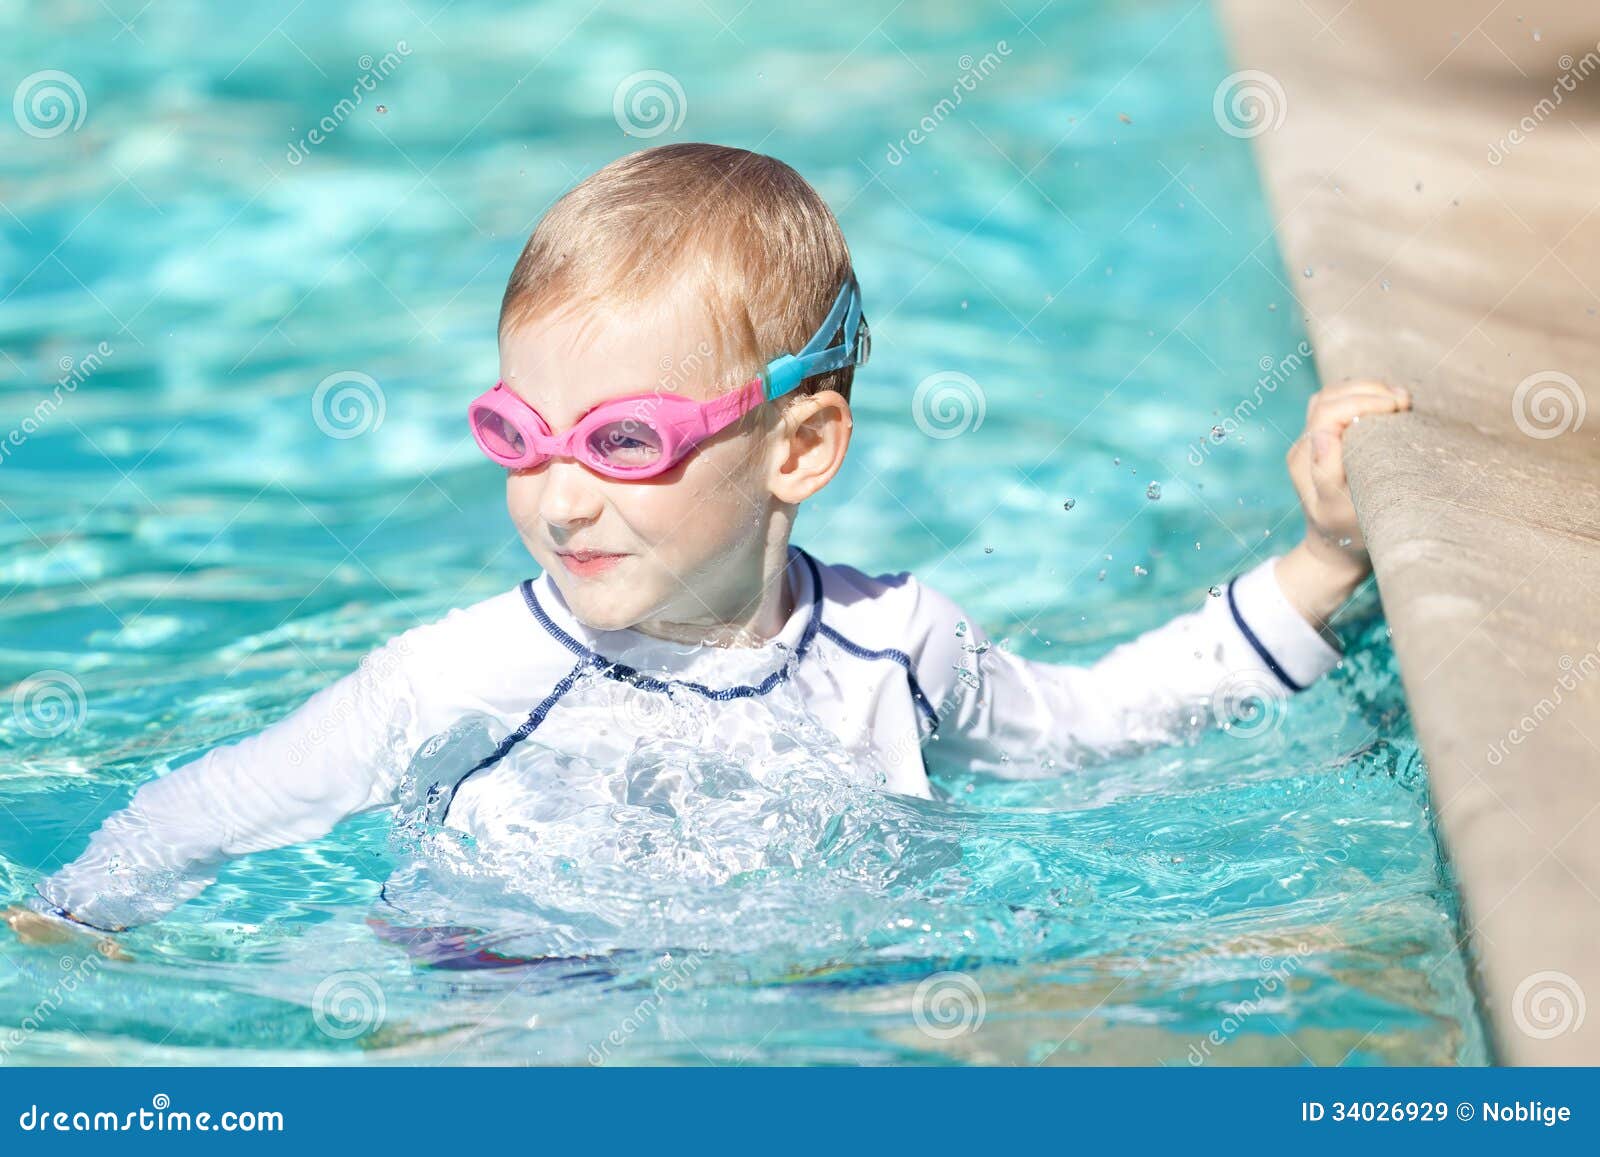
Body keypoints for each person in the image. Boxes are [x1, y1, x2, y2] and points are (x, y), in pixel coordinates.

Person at [4, 143, 1412, 950]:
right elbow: (227, 804)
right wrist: (59, 931)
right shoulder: (464, 675)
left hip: (840, 1006)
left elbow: (1099, 728)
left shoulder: (897, 643)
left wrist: (1323, 564)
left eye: (622, 443)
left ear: (797, 448)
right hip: (513, 1000)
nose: (560, 498)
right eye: (518, 434)